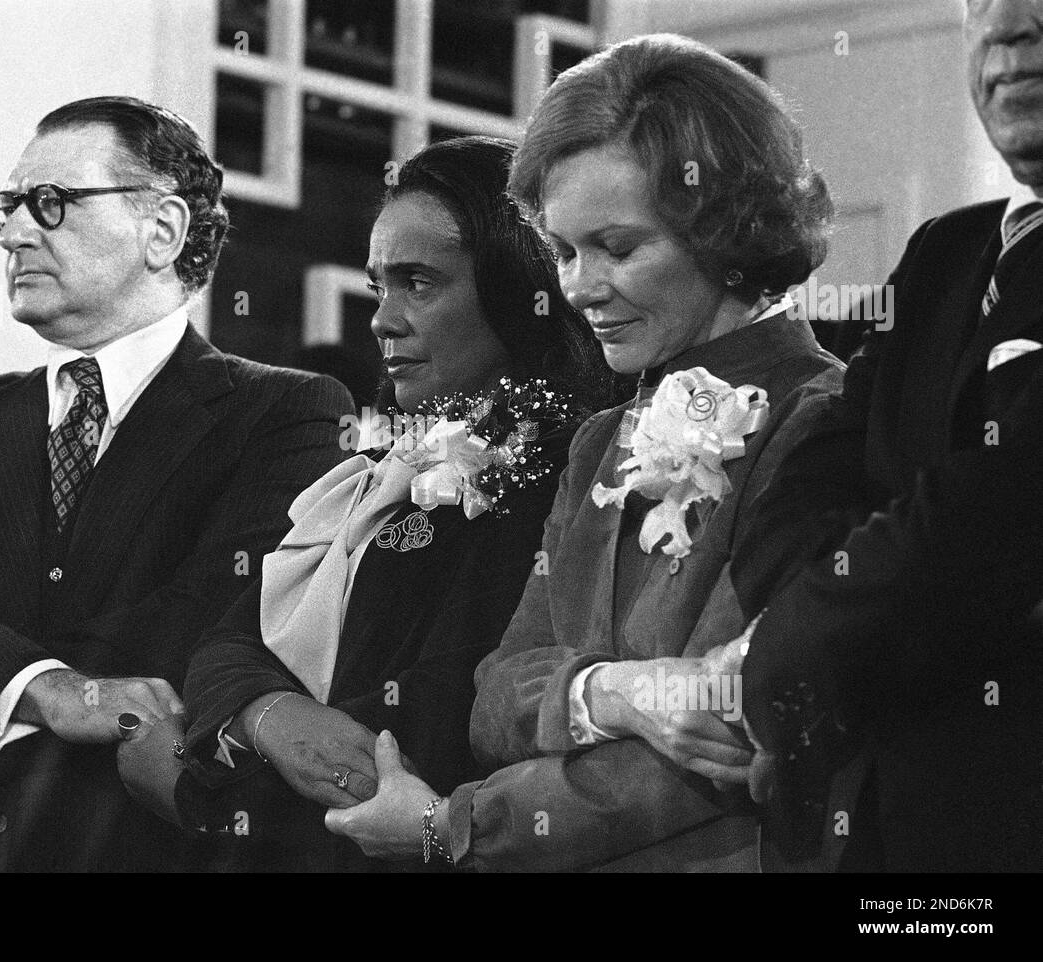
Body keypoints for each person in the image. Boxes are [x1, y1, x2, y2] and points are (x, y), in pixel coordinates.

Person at [325, 34, 845, 871]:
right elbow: (493, 699)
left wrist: (453, 826)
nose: (577, 287)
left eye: (619, 247)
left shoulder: (827, 421)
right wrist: (617, 692)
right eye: (565, 251)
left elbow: (728, 748)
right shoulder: (603, 438)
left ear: (729, 230)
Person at [0, 96, 353, 872]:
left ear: (163, 231)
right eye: (5, 207)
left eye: (50, 203)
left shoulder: (285, 412)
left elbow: (209, 620)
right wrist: (53, 694)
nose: (12, 231)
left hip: (123, 846)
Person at [117, 135, 606, 871]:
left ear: (517, 288)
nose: (382, 319)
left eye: (420, 283)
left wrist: (193, 782)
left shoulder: (554, 478)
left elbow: (429, 740)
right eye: (380, 285)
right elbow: (226, 645)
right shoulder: (377, 471)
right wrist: (271, 715)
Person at [731, 0, 1043, 872]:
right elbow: (798, 491)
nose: (1008, 28)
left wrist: (784, 661)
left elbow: (988, 523)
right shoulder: (946, 252)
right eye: (983, 0)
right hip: (899, 835)